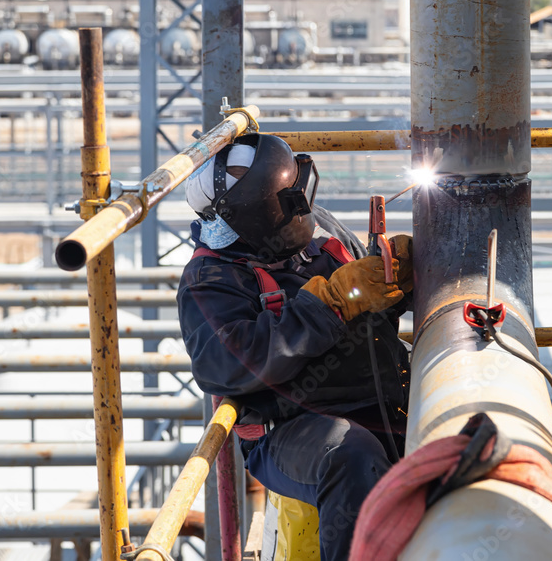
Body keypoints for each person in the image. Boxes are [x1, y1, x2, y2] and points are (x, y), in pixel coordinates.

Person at [177, 133, 413, 561]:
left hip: (380, 398)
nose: (300, 206)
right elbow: (229, 364)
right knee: (350, 456)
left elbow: (370, 303)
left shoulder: (318, 230)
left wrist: (401, 281)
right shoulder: (209, 281)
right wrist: (330, 306)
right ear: (257, 213)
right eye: (286, 201)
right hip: (290, 428)